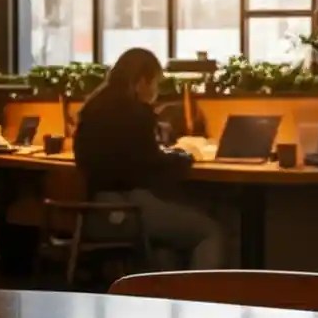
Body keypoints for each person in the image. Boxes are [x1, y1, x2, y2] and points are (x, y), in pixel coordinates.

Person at [74, 48, 224, 269]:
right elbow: (150, 165)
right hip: (129, 209)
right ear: (142, 81)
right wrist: (184, 157)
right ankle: (202, 301)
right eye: (155, 83)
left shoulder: (91, 109)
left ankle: (169, 299)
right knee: (210, 232)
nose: (155, 91)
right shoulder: (136, 113)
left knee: (166, 248)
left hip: (95, 212)